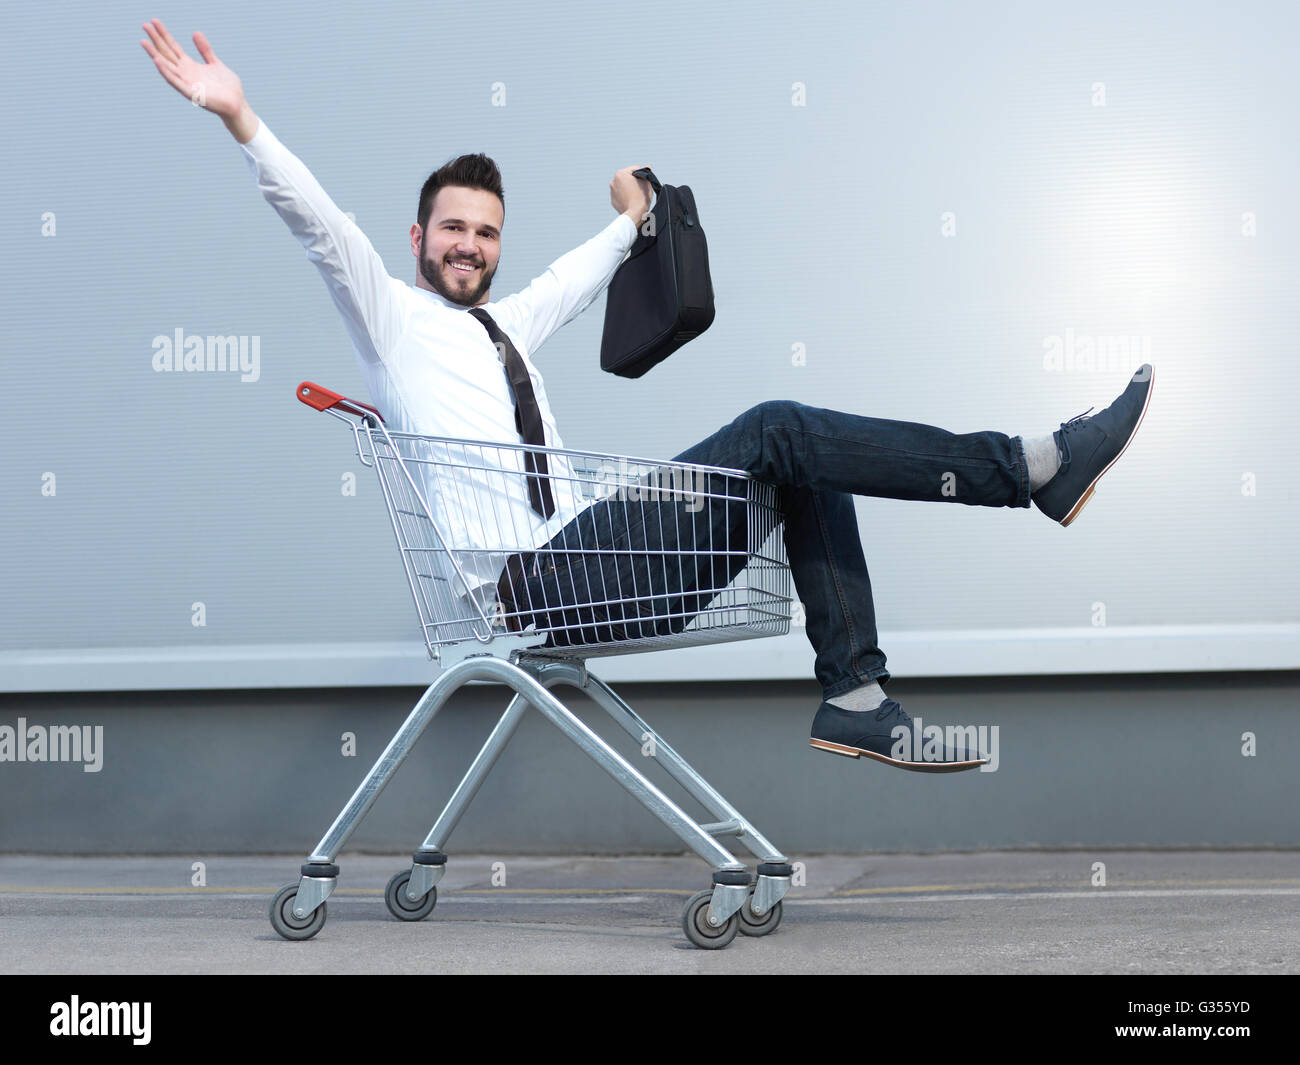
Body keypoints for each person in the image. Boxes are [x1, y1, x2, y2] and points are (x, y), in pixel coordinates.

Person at [142, 20, 1154, 774]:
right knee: (778, 428)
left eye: (486, 233)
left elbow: (577, 278)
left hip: (607, 558)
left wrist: (635, 213)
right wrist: (239, 114)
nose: (468, 247)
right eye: (451, 230)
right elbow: (317, 223)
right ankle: (1030, 467)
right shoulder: (389, 317)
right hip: (534, 583)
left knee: (805, 457)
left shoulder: (506, 328)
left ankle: (855, 692)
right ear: (417, 241)